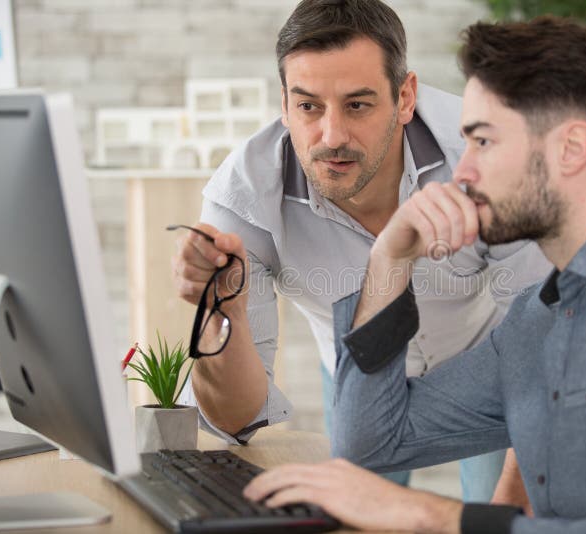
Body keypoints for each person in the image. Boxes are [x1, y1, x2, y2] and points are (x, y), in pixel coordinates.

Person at [243, 16, 586, 533]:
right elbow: (371, 445)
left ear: (571, 149)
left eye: (483, 141)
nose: (463, 170)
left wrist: (433, 515)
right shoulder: (536, 323)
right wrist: (388, 260)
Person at [172, 0, 550, 503]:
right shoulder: (243, 200)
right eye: (308, 106)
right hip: (355, 369)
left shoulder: (488, 156)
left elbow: (544, 343)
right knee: (357, 516)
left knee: (498, 509)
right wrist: (228, 317)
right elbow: (234, 420)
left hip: (489, 363)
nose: (332, 137)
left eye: (358, 105)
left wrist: (510, 508)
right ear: (284, 104)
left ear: (405, 96)